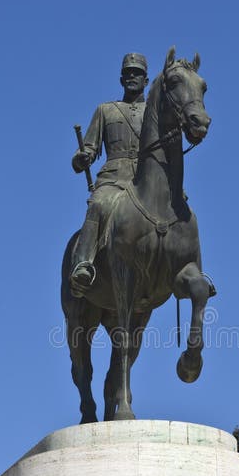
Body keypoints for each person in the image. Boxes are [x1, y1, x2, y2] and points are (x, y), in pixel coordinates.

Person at [70, 52, 149, 294]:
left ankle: (190, 269)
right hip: (114, 179)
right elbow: (89, 147)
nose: (132, 76)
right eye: (128, 73)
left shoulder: (154, 112)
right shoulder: (106, 110)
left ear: (146, 80)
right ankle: (83, 264)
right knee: (98, 204)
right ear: (121, 79)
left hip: (147, 179)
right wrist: (82, 157)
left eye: (137, 73)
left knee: (182, 211)